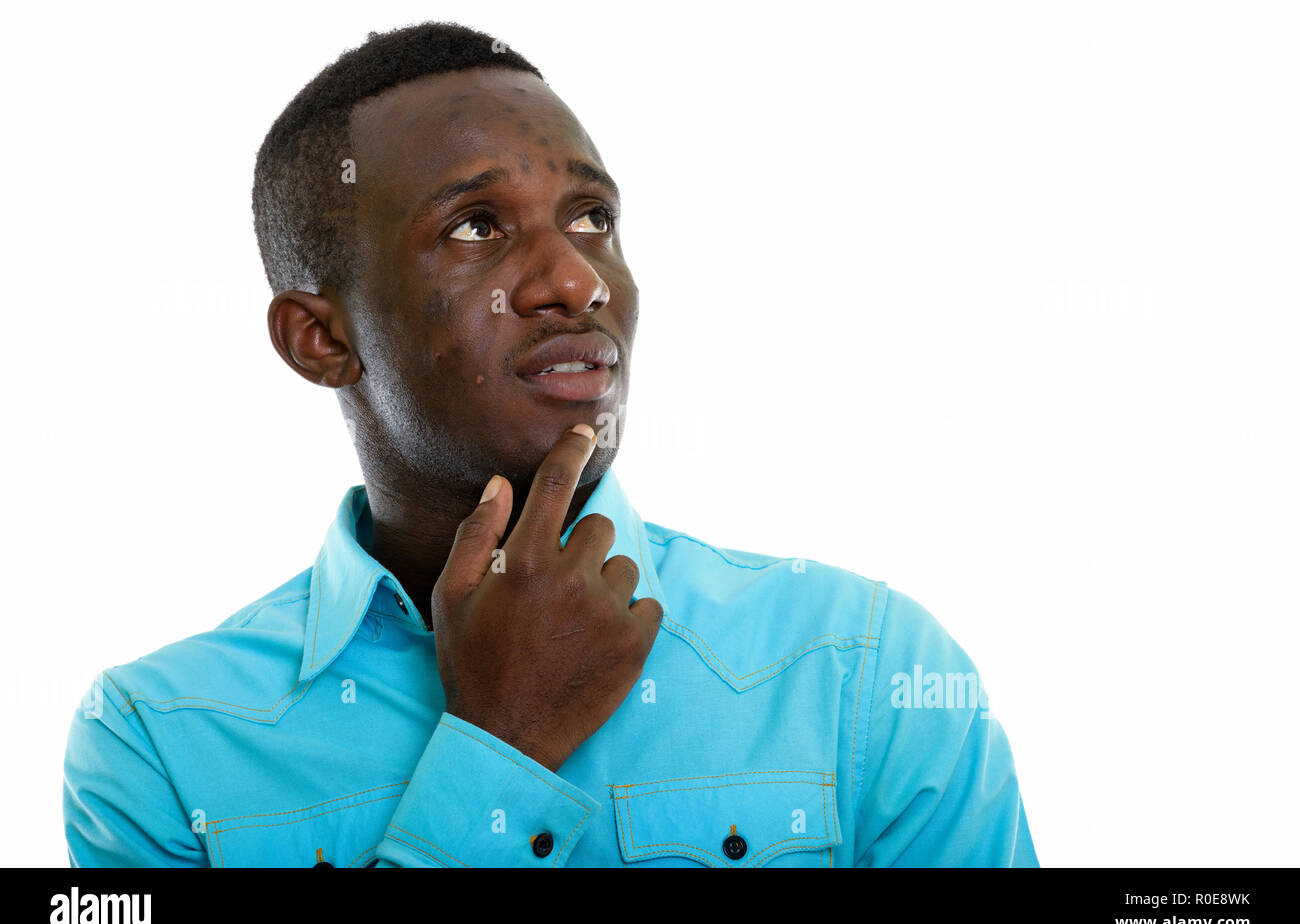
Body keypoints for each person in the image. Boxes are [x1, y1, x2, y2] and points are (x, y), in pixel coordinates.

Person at [63, 21, 1038, 868]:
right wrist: (502, 748)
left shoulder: (862, 668)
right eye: (477, 225)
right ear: (322, 339)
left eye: (591, 218)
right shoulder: (158, 744)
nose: (575, 281)